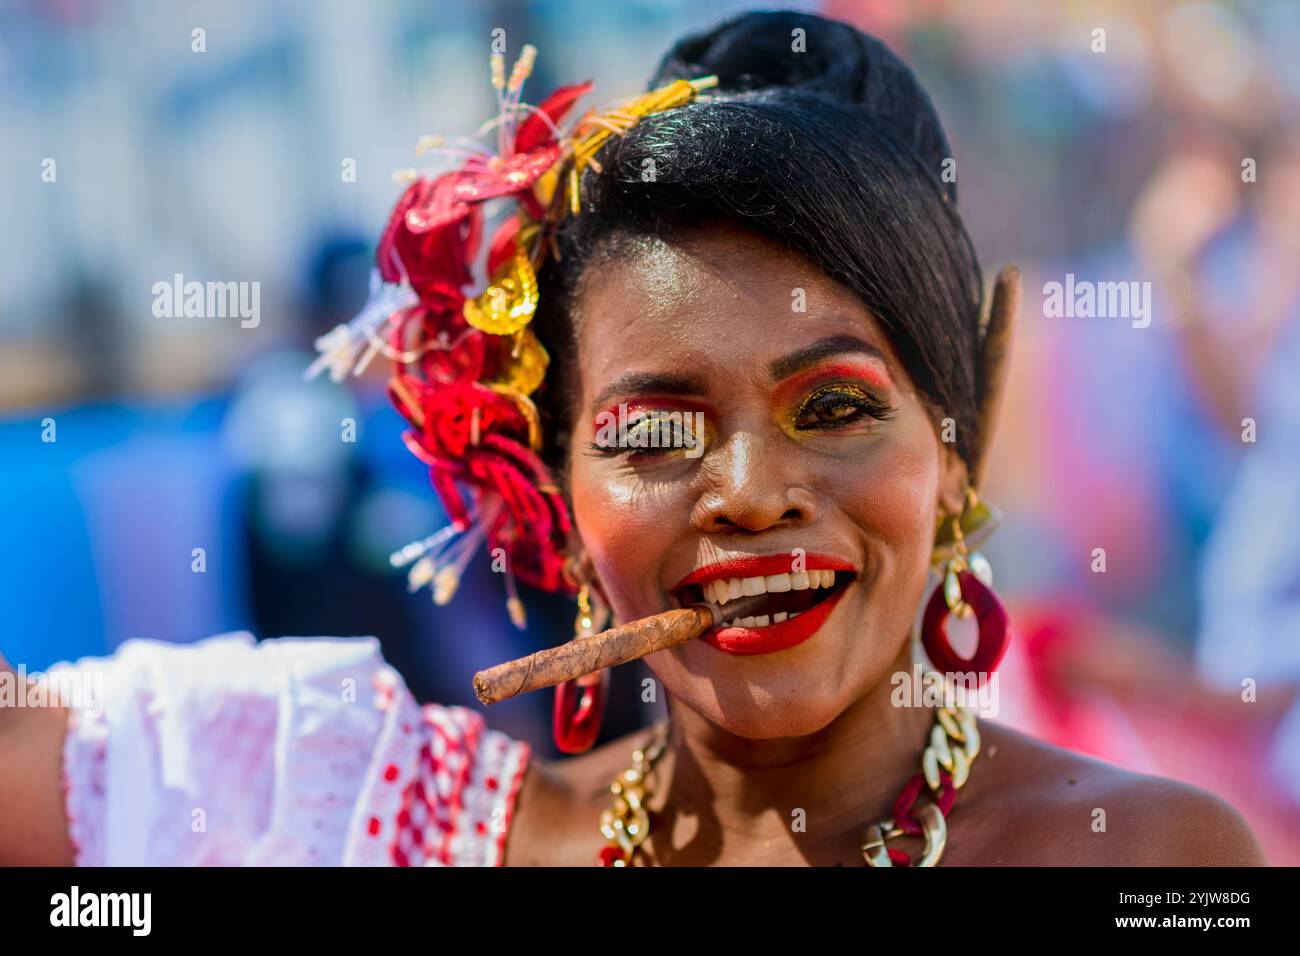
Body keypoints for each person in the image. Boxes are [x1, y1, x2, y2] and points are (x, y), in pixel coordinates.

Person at [0, 11, 1264, 867]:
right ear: (548, 484)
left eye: (833, 407)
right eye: (655, 428)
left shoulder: (1146, 856)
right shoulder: (361, 808)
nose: (753, 494)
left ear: (953, 453)